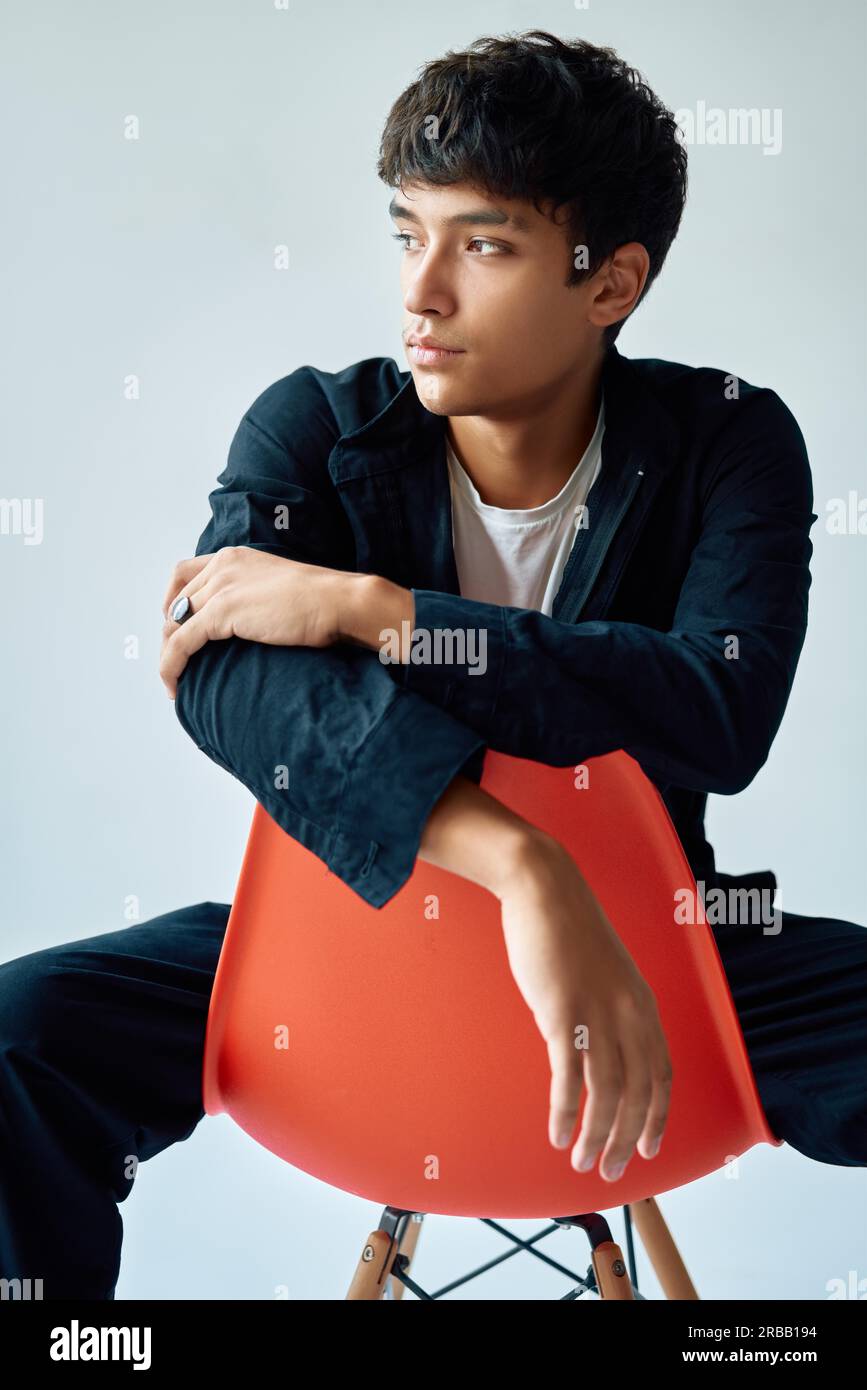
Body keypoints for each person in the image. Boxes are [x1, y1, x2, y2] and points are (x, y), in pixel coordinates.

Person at [2, 30, 864, 1302]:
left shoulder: (729, 439)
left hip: (658, 959)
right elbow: (223, 674)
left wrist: (377, 610)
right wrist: (520, 865)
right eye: (409, 232)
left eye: (486, 245)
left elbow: (716, 708)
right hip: (332, 958)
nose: (422, 292)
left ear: (610, 282)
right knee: (19, 1036)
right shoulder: (314, 424)